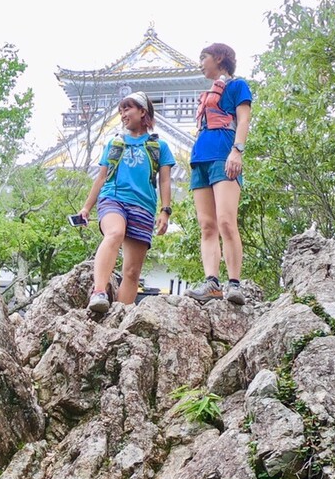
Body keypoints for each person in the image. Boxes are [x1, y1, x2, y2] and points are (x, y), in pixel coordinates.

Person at [79, 92, 175, 317]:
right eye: (121, 111)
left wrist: (165, 211)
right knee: (114, 233)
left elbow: (165, 180)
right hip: (113, 198)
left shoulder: (159, 146)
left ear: (143, 112)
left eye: (127, 109)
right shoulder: (115, 143)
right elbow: (101, 178)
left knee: (132, 271)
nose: (123, 115)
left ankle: (118, 317)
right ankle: (99, 292)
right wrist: (86, 208)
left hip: (143, 206)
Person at [188, 42, 253, 305]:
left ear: (219, 58)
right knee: (207, 225)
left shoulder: (237, 86)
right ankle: (211, 283)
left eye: (203, 57)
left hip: (223, 155)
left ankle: (234, 283)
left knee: (226, 220)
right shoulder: (205, 93)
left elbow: (244, 119)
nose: (200, 63)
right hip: (199, 158)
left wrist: (237, 151)